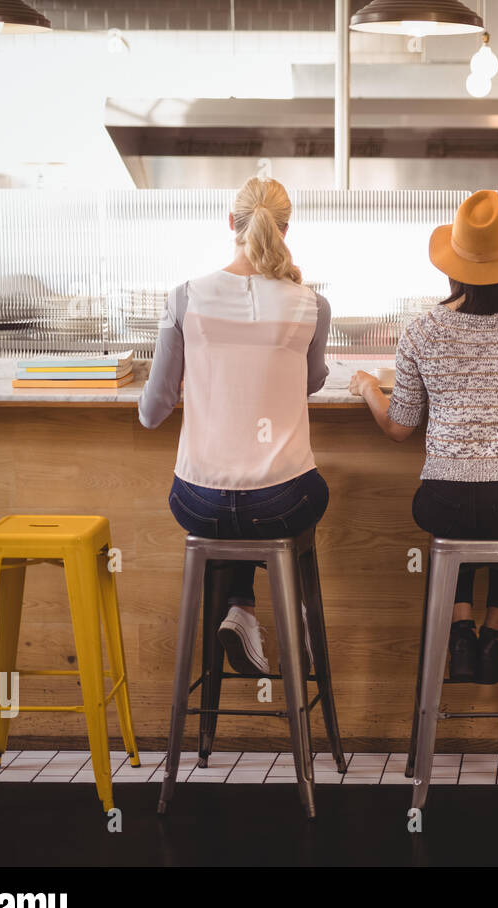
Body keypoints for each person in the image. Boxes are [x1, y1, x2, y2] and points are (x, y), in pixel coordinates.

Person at [352, 189, 498, 684]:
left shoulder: (421, 333)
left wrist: (368, 386)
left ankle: (459, 634)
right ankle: (494, 635)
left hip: (441, 501)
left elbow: (398, 428)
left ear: (453, 266)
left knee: (459, 517)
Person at [139, 176, 332, 677]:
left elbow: (152, 411)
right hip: (283, 503)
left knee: (231, 504)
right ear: (286, 229)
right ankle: (301, 622)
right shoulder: (311, 304)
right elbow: (309, 383)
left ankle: (242, 609)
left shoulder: (184, 298)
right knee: (275, 495)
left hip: (196, 502)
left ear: (231, 223)